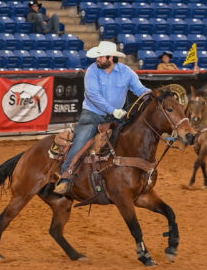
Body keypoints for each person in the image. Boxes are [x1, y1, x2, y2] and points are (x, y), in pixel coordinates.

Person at [54, 40, 150, 195]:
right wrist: (113, 110)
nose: (97, 59)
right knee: (81, 140)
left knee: (133, 139)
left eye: (100, 57)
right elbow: (93, 95)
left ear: (110, 57)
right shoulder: (92, 71)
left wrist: (153, 95)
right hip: (93, 114)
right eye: (97, 57)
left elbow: (140, 89)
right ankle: (66, 175)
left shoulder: (126, 72)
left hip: (116, 117)